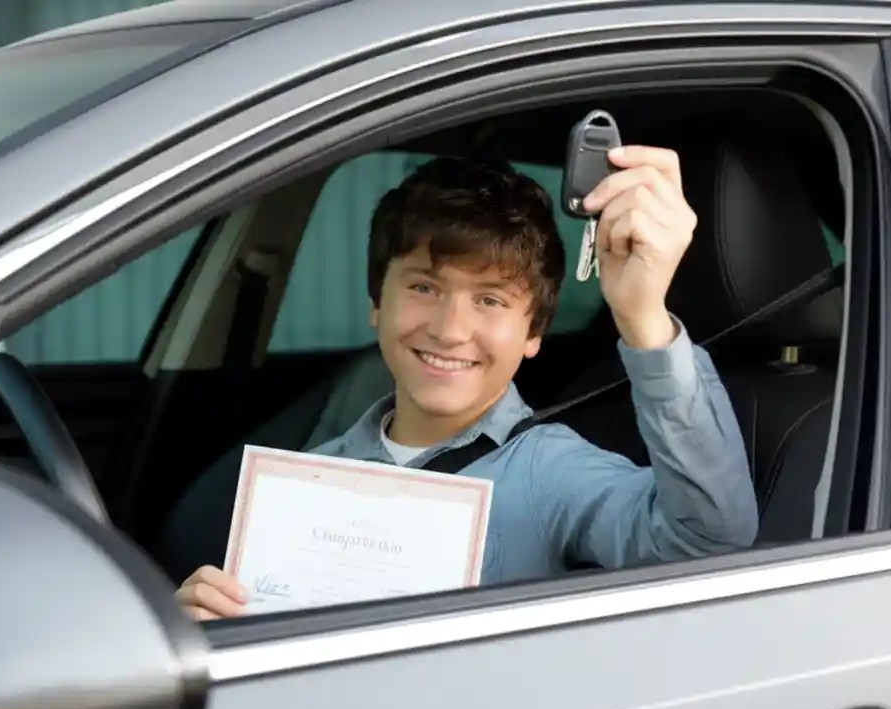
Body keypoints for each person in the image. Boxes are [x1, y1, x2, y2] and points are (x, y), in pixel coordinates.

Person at [176, 146, 757, 621]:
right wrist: (205, 636)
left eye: (489, 300)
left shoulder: (550, 471)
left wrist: (643, 316)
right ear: (378, 302)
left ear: (534, 333)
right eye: (425, 288)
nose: (450, 330)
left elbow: (708, 541)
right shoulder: (310, 479)